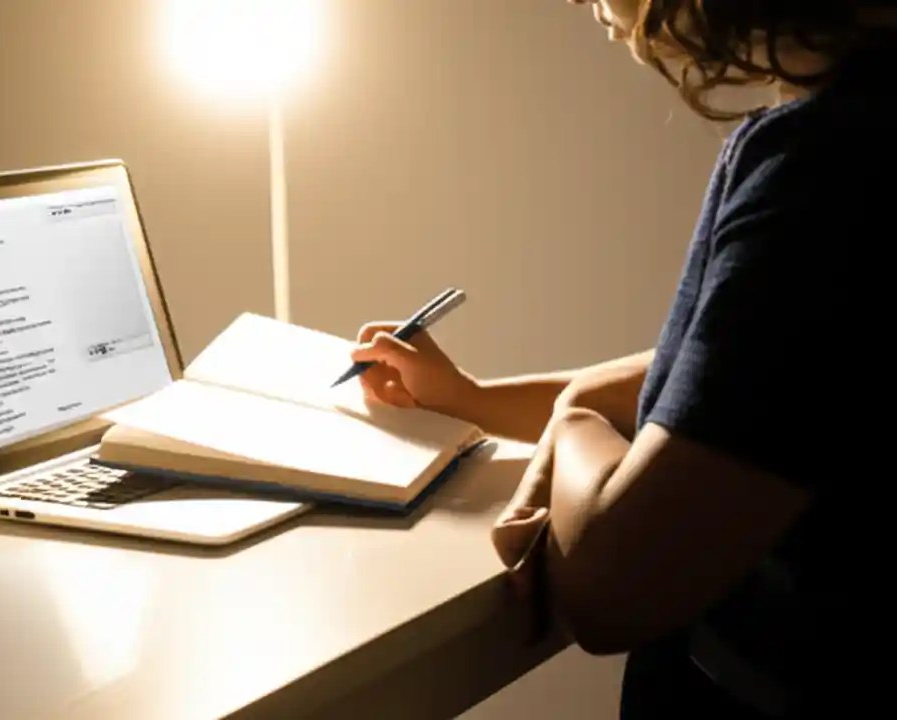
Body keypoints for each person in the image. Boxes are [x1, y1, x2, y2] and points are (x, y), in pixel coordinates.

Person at [349, 1, 894, 717]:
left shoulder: (829, 170)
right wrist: (466, 397)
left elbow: (613, 592)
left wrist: (573, 423)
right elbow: (709, 381)